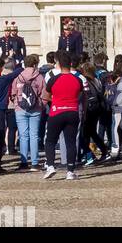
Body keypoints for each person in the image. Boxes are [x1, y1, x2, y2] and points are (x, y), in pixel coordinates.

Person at [42, 51, 84, 180]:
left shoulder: (54, 79)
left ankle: (50, 166)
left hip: (57, 111)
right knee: (70, 142)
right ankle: (70, 171)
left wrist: (56, 99)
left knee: (50, 140)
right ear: (71, 64)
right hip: (72, 111)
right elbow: (80, 95)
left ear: (59, 64)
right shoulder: (77, 79)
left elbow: (45, 96)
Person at [10, 53, 43, 170]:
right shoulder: (39, 76)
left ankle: (23, 162)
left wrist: (16, 102)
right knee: (34, 135)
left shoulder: (18, 76)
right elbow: (43, 93)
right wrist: (41, 104)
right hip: (35, 108)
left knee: (23, 136)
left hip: (20, 107)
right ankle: (34, 162)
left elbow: (13, 92)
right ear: (35, 64)